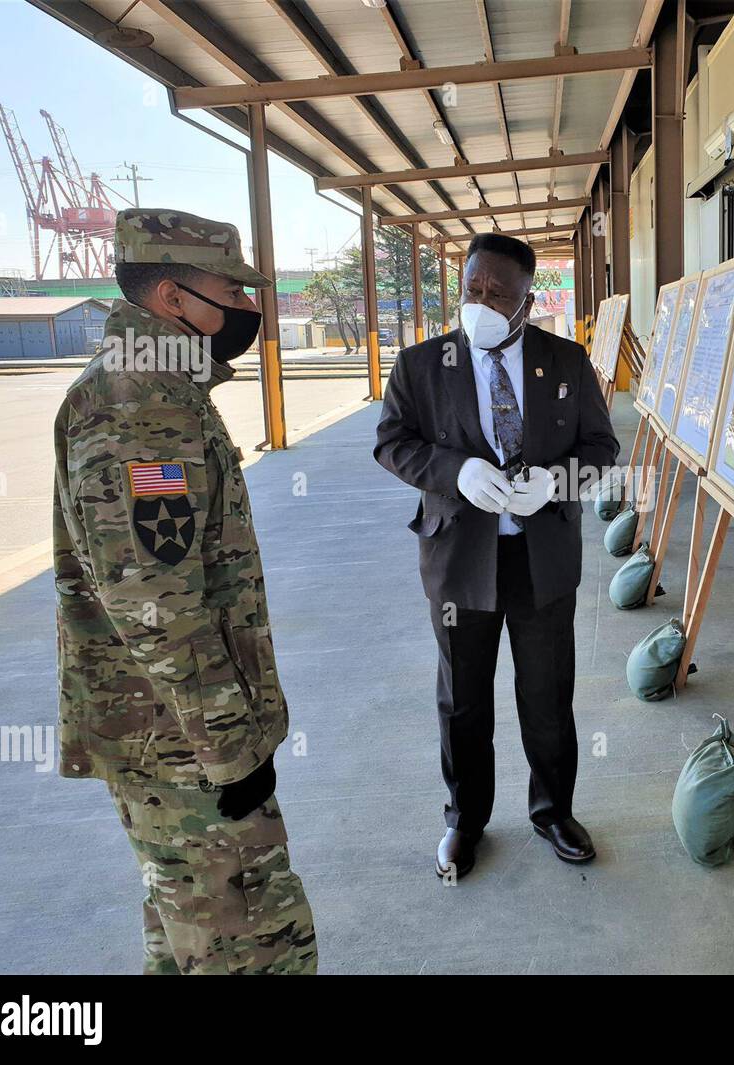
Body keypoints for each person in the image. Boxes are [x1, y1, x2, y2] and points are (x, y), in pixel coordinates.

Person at [52, 209, 317, 974]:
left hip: (170, 736)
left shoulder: (157, 385)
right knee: (255, 942)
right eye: (229, 289)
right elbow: (157, 607)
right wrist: (231, 748)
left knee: (190, 932)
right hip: (183, 744)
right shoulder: (138, 402)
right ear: (171, 296)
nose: (247, 309)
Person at [374, 232, 619, 879]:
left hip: (541, 561)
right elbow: (392, 443)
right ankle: (464, 819)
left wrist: (555, 482)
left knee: (546, 695)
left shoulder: (566, 361)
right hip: (460, 561)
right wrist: (454, 472)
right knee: (462, 699)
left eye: (498, 293)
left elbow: (601, 448)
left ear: (527, 300)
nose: (481, 302)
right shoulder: (422, 365)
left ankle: (553, 811)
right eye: (472, 289)